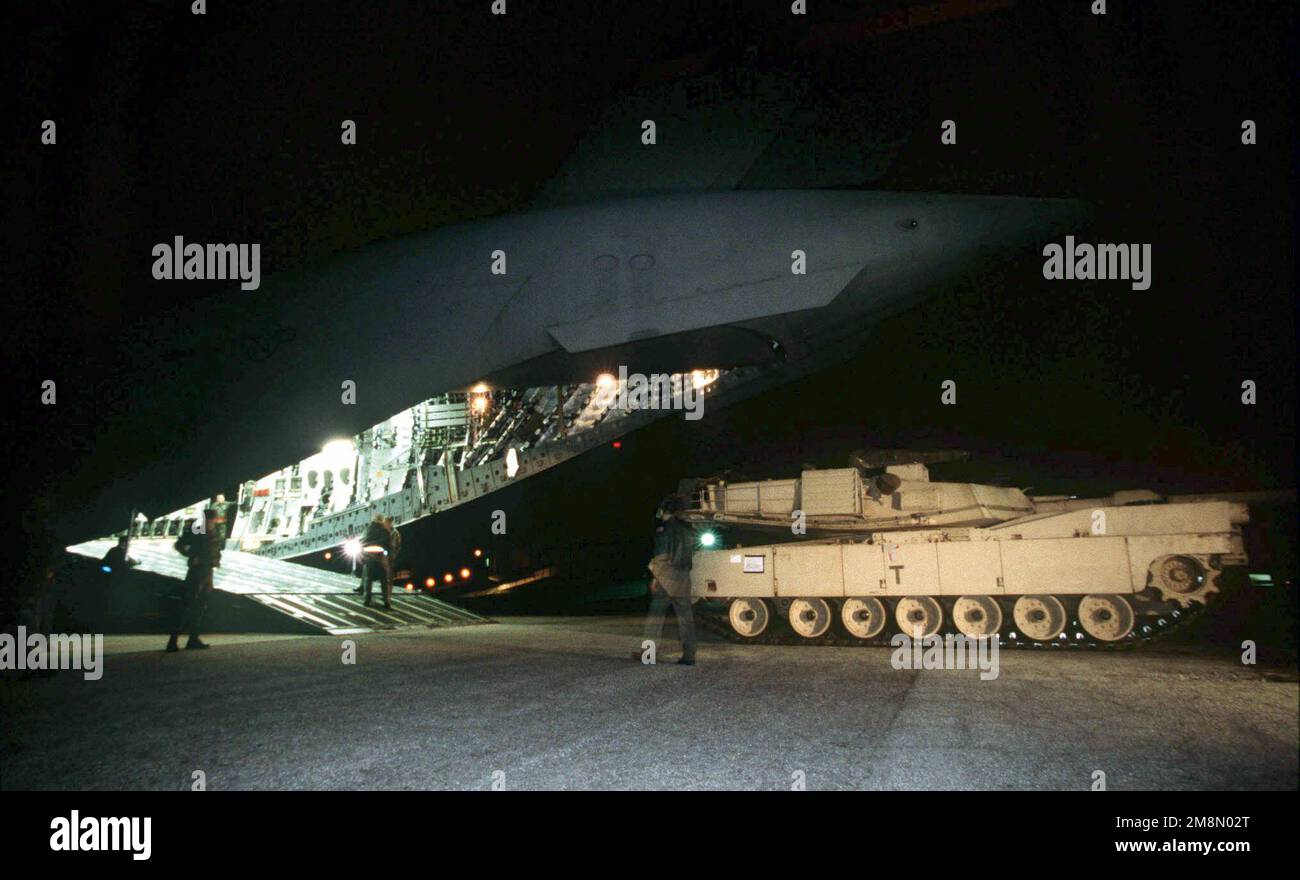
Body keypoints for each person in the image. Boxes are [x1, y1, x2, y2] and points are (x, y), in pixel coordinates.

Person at [639, 494, 698, 666]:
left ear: (665, 510)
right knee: (686, 619)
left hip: (666, 579)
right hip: (684, 579)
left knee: (655, 620)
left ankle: (648, 656)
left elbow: (661, 557)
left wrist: (655, 579)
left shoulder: (663, 530)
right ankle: (689, 657)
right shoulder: (687, 530)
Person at [167, 509, 224, 653]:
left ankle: (193, 639)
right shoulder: (197, 530)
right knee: (188, 604)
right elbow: (179, 545)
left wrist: (217, 559)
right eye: (213, 518)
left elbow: (216, 549)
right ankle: (173, 641)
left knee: (200, 606)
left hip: (207, 571)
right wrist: (191, 556)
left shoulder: (214, 531)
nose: (214, 521)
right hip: (197, 571)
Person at [360, 515, 392, 609]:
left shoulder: (368, 529)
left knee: (368, 579)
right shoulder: (384, 531)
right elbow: (388, 545)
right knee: (383, 581)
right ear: (382, 521)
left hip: (369, 558)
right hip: (380, 558)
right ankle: (386, 601)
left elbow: (362, 541)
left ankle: (367, 600)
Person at [384, 516, 402, 594]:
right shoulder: (386, 531)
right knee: (386, 575)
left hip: (390, 556)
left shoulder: (394, 533)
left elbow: (395, 546)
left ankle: (388, 594)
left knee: (389, 576)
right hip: (385, 555)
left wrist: (393, 554)